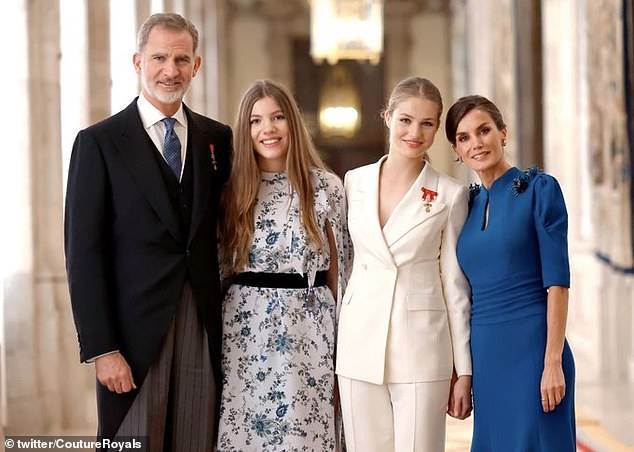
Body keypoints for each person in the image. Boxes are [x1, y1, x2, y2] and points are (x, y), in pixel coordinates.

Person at [64, 13, 232, 450]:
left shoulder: (218, 140)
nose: (170, 70)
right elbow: (83, 253)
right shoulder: (98, 143)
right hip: (131, 337)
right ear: (138, 62)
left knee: (196, 439)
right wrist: (102, 348)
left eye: (181, 59)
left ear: (196, 66)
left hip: (200, 324)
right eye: (159, 57)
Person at [335, 76, 473, 452]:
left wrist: (464, 370)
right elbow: (344, 266)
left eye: (427, 123)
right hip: (358, 344)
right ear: (387, 117)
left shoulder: (450, 193)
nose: (415, 132)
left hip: (421, 346)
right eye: (406, 120)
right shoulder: (353, 183)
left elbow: (455, 285)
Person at [217, 80, 350, 451]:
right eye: (256, 121)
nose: (268, 129)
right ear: (246, 130)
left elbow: (341, 273)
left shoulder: (325, 187)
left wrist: (344, 352)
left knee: (304, 437)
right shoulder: (230, 190)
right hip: (245, 334)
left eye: (277, 117)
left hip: (310, 329)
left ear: (293, 122)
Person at [445, 95, 576, 451]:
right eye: (464, 137)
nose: (476, 143)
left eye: (484, 130)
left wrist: (552, 363)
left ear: (503, 133)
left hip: (534, 352)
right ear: (456, 149)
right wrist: (463, 371)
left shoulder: (539, 190)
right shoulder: (466, 206)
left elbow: (558, 284)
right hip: (487, 358)